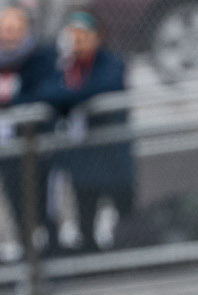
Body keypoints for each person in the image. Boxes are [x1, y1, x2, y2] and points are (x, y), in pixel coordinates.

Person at [37, 11, 132, 254]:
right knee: (85, 211)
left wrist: (72, 96)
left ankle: (131, 255)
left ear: (96, 37)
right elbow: (48, 93)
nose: (78, 41)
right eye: (73, 35)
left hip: (113, 155)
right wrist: (74, 95)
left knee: (125, 210)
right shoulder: (66, 67)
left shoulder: (111, 63)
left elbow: (105, 86)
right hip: (83, 159)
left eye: (83, 35)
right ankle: (90, 257)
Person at [0, 2, 54, 256]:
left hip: (37, 145)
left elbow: (45, 95)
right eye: (5, 28)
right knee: (16, 202)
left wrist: (12, 102)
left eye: (16, 27)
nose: (10, 33)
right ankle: (26, 254)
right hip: (8, 148)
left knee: (43, 204)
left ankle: (49, 254)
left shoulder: (40, 57)